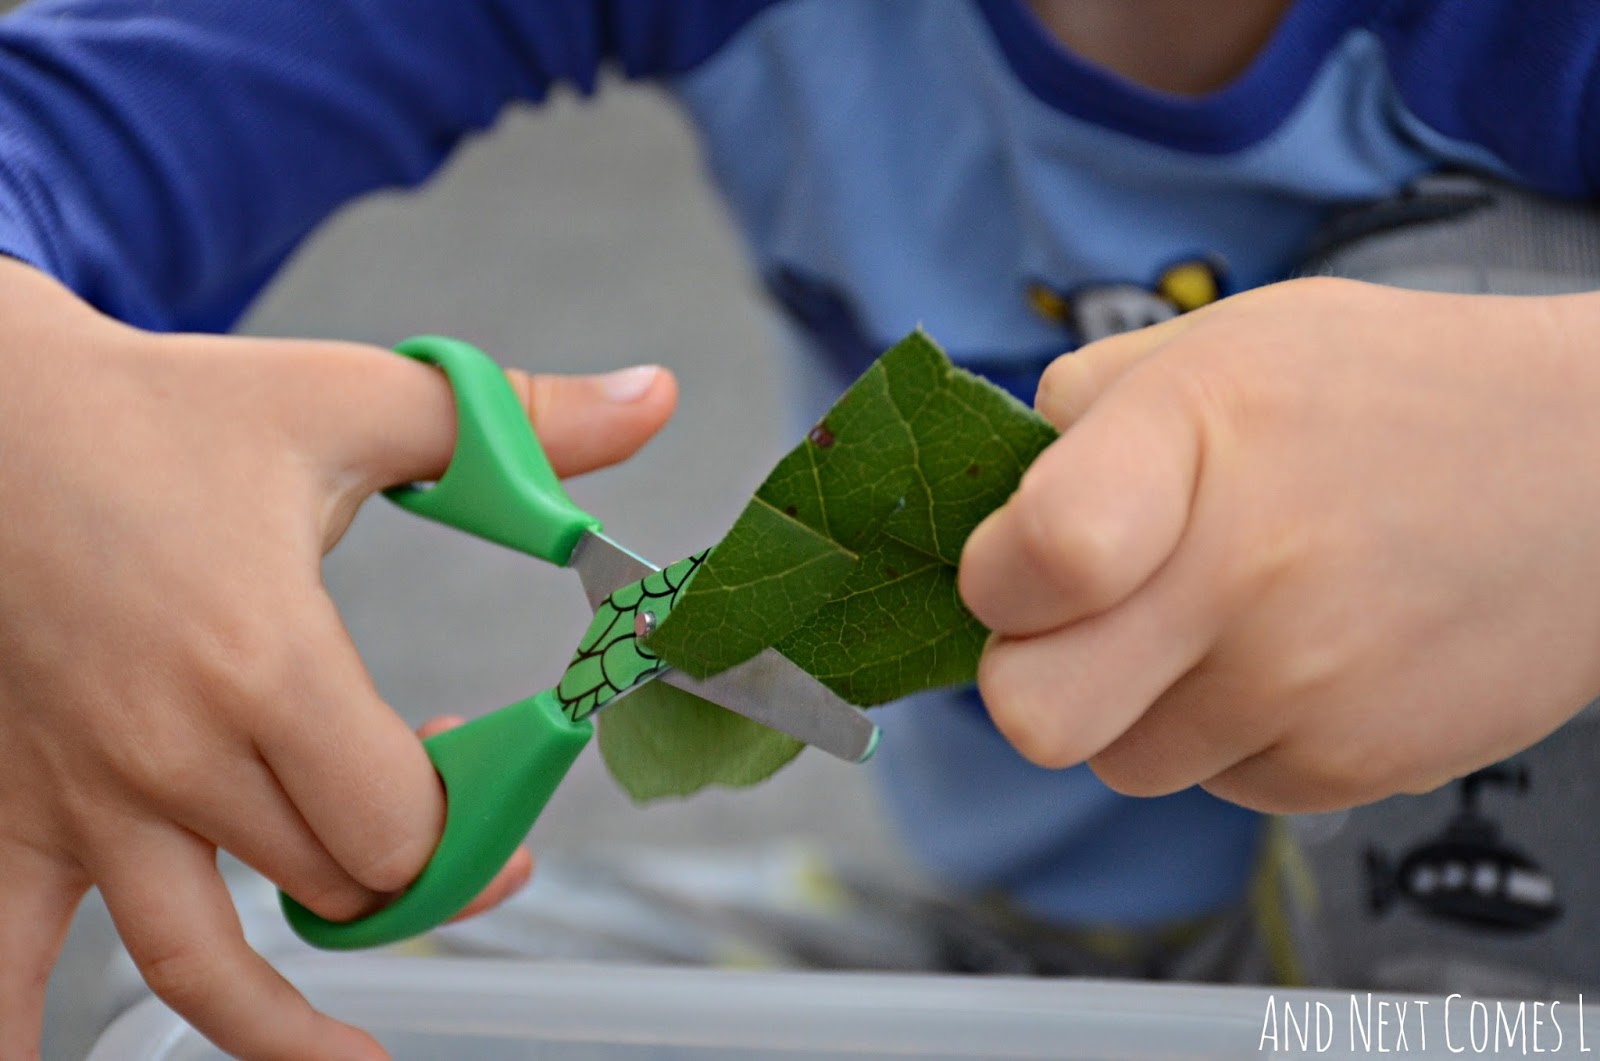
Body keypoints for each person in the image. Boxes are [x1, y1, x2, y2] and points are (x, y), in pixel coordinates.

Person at [4, 0, 1600, 1056]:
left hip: (1525, 985)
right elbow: (67, 122)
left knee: (1494, 275)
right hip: (1054, 955)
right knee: (269, 1007)